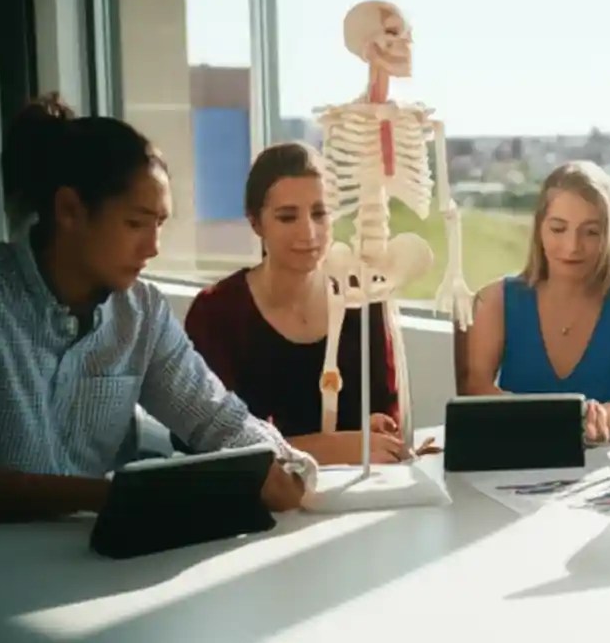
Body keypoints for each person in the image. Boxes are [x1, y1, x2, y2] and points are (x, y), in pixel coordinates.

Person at [0, 93, 314, 523]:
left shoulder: (143, 313)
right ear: (69, 210)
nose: (153, 248)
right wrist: (114, 495)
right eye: (135, 223)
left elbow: (215, 416)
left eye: (159, 225)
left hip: (99, 562)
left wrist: (283, 463)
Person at [183, 142, 432, 465]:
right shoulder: (216, 313)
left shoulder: (364, 300)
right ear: (256, 223)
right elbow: (206, 444)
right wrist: (327, 448)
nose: (309, 233)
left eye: (320, 213)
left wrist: (379, 428)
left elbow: (385, 416)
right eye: (287, 217)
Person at [458, 160, 610, 443]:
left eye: (591, 232)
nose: (573, 247)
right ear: (539, 229)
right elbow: (474, 389)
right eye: (559, 229)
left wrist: (609, 415)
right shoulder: (495, 300)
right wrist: (554, 422)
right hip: (520, 460)